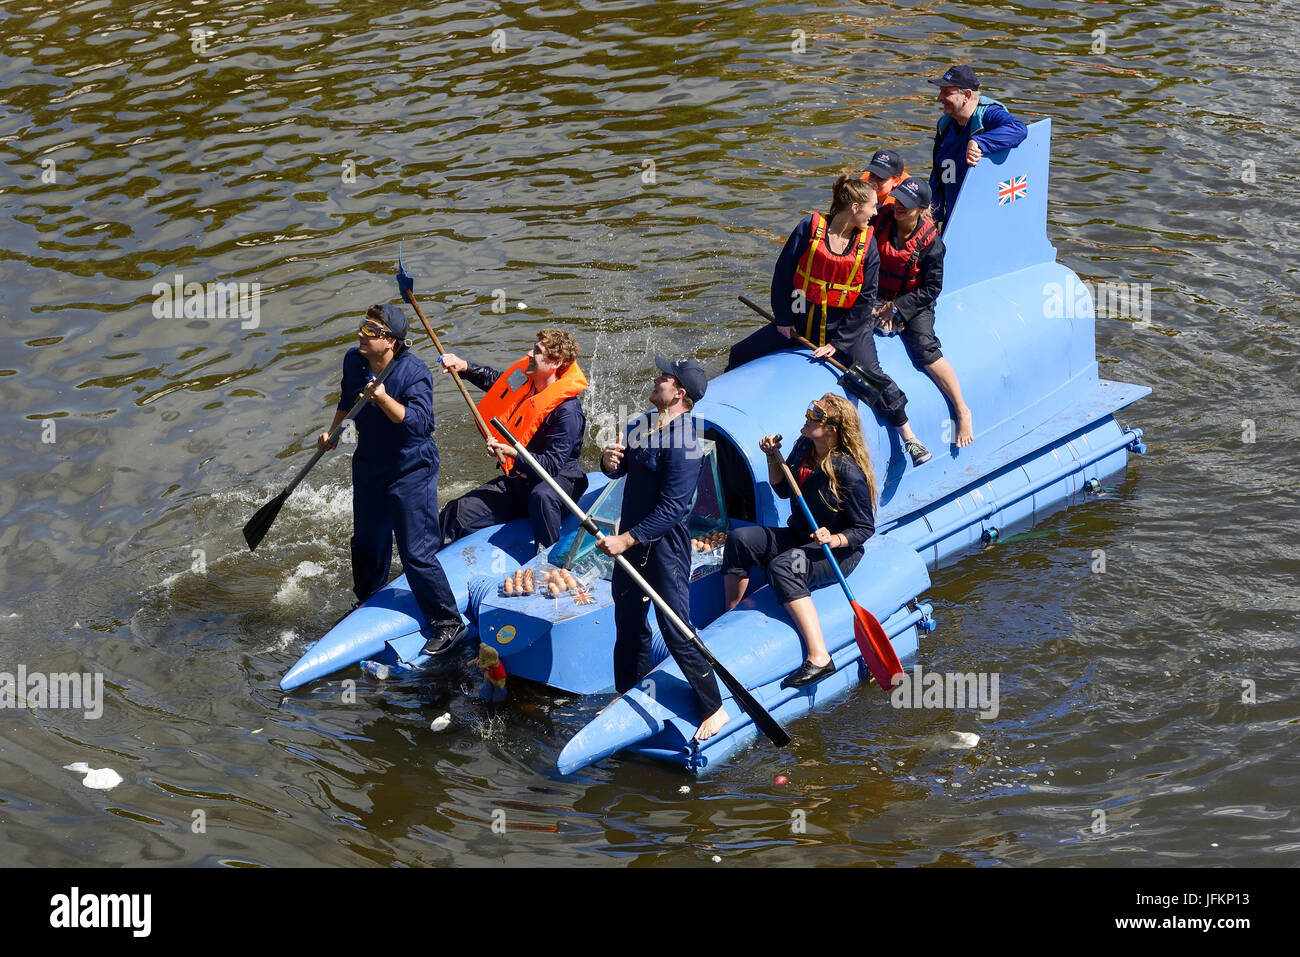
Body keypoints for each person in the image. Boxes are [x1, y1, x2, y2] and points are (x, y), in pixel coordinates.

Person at [726, 173, 931, 467]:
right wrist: (783, 319)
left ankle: (909, 436)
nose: (876, 213)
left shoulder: (867, 244)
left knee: (871, 376)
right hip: (801, 322)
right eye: (873, 207)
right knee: (740, 352)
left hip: (847, 329)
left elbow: (865, 301)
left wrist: (838, 343)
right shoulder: (808, 229)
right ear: (855, 207)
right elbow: (783, 275)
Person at [316, 304, 465, 657]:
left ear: (391, 341)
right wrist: (334, 431)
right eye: (363, 327)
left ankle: (448, 621)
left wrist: (382, 399)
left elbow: (419, 424)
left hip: (411, 468)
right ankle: (368, 602)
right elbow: (345, 398)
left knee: (416, 552)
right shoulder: (354, 360)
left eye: (370, 330)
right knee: (367, 542)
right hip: (369, 463)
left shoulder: (413, 373)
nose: (360, 335)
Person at [597, 356, 728, 742]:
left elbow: (673, 509)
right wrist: (607, 462)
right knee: (629, 623)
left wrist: (625, 538)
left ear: (680, 393)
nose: (656, 379)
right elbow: (618, 471)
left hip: (664, 548)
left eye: (664, 378)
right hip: (632, 544)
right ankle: (629, 695)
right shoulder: (639, 424)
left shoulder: (686, 443)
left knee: (674, 627)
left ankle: (713, 706)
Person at [721, 394, 877, 688]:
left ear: (832, 428)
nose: (807, 415)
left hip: (836, 552)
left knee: (784, 567)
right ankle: (730, 620)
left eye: (816, 413)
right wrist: (772, 457)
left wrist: (834, 538)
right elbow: (783, 489)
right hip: (800, 536)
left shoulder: (848, 472)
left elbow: (864, 528)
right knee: (740, 539)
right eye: (810, 407)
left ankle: (819, 656)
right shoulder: (805, 447)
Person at [437, 329, 588, 550]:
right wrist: (464, 367)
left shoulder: (568, 412)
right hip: (521, 481)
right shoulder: (527, 380)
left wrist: (511, 453)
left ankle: (547, 564)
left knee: (541, 497)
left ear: (555, 362)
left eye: (537, 351)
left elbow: (552, 465)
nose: (529, 353)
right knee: (455, 512)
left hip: (560, 483)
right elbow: (496, 382)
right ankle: (424, 566)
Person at [872, 177, 974, 447]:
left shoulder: (932, 243)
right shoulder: (879, 219)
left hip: (914, 300)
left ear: (921, 209)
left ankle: (962, 409)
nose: (899, 207)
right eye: (898, 200)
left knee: (924, 349)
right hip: (876, 292)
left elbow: (932, 288)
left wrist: (897, 309)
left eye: (907, 204)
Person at [927, 64, 1028, 229]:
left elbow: (1018, 129)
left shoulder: (990, 115)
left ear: (966, 95)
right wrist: (933, 217)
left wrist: (980, 142)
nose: (939, 98)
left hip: (986, 221)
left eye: (946, 93)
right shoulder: (944, 125)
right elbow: (939, 174)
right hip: (953, 220)